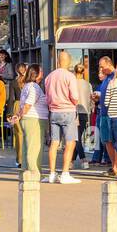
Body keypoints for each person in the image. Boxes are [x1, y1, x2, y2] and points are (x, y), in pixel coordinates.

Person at [43, 52, 82, 184]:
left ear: (58, 61)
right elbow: (75, 97)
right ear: (69, 62)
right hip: (68, 110)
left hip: (53, 111)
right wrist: (73, 102)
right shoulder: (69, 76)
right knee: (70, 142)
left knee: (54, 143)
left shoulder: (49, 77)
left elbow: (47, 97)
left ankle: (52, 173)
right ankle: (65, 173)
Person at [9, 63, 48, 179]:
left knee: (27, 146)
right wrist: (20, 114)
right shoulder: (34, 87)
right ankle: (34, 173)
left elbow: (23, 104)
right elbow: (27, 104)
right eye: (41, 72)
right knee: (34, 147)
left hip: (27, 119)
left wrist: (18, 116)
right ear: (36, 74)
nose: (42, 74)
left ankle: (25, 171)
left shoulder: (26, 86)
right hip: (34, 119)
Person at [91, 56, 116, 169]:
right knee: (106, 140)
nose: (101, 69)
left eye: (102, 66)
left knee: (113, 140)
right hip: (104, 113)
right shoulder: (106, 78)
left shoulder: (115, 76)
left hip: (112, 114)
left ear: (109, 64)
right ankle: (114, 165)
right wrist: (97, 99)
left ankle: (116, 165)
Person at [72, 62, 92, 165]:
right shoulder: (88, 84)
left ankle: (75, 160)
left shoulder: (71, 83)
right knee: (78, 137)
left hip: (73, 111)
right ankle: (80, 159)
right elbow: (91, 99)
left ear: (74, 71)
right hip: (84, 112)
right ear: (83, 72)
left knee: (76, 137)